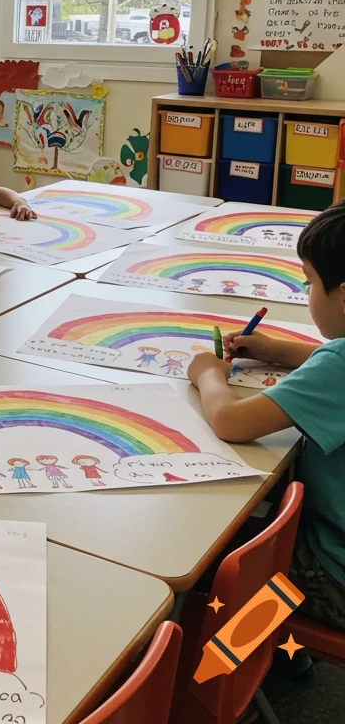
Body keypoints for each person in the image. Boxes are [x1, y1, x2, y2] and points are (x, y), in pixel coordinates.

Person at [187, 199, 345, 630]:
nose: (306, 292)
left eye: (309, 282)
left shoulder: (339, 367)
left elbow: (232, 423)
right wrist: (277, 350)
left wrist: (208, 376)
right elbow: (330, 361)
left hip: (333, 572)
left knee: (209, 560)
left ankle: (227, 667)